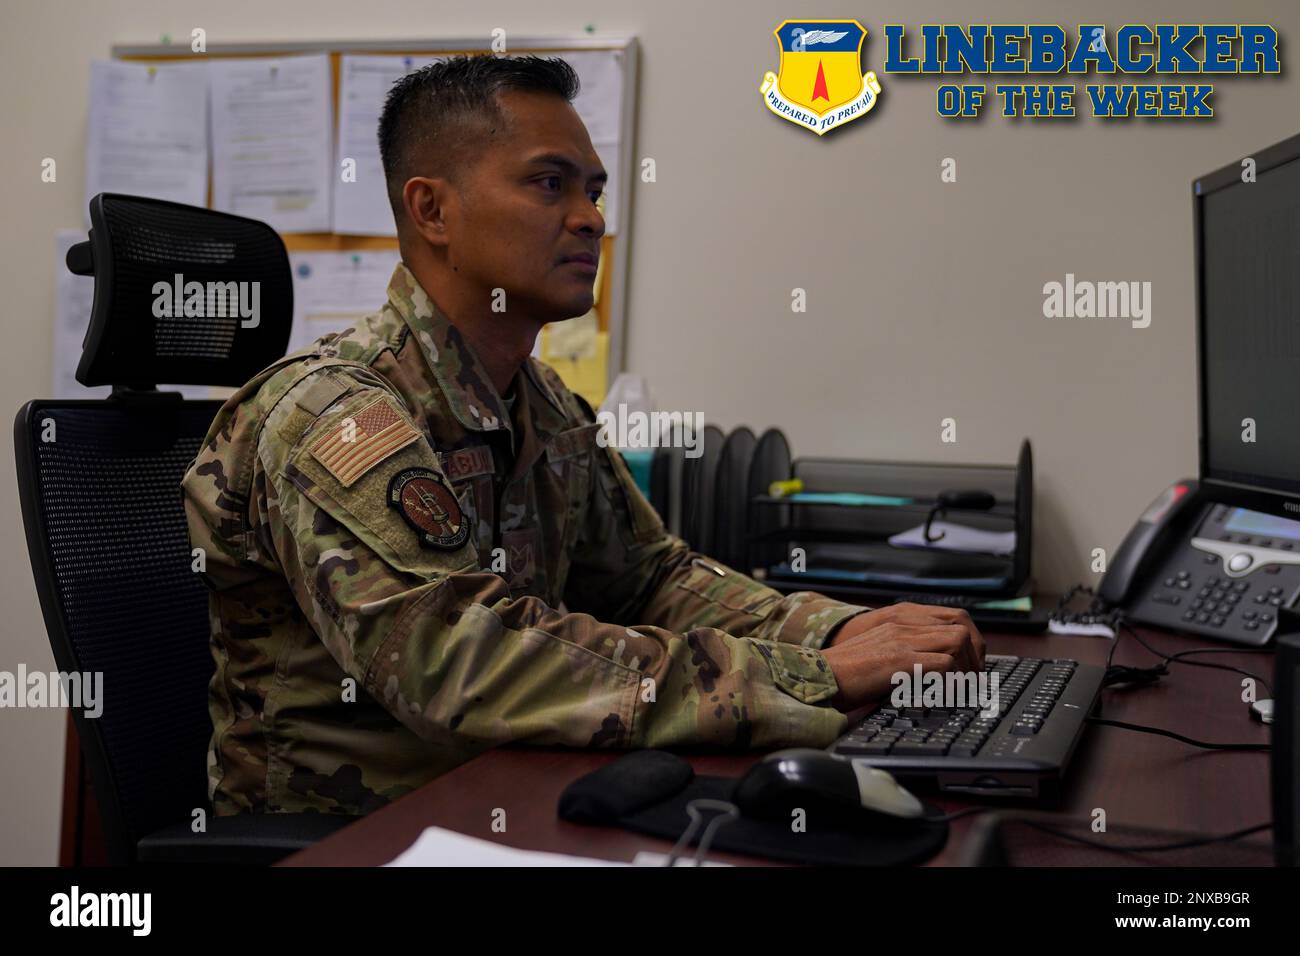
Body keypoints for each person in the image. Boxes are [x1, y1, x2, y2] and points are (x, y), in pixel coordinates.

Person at [181, 54, 984, 817]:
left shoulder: (543, 403)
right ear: (432, 209)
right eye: (549, 184)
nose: (590, 218)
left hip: (516, 794)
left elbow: (645, 579)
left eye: (594, 190)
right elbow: (460, 661)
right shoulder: (336, 415)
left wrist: (839, 630)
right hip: (350, 839)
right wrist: (809, 679)